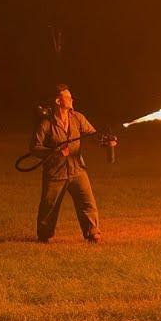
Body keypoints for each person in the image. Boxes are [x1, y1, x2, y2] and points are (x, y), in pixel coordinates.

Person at [29, 84, 114, 243]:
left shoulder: (77, 118)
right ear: (58, 101)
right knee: (49, 205)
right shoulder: (46, 123)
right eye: (67, 97)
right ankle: (44, 236)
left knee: (87, 202)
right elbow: (34, 147)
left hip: (77, 170)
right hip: (55, 173)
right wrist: (54, 152)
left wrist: (106, 142)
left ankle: (93, 234)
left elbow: (92, 135)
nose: (71, 99)